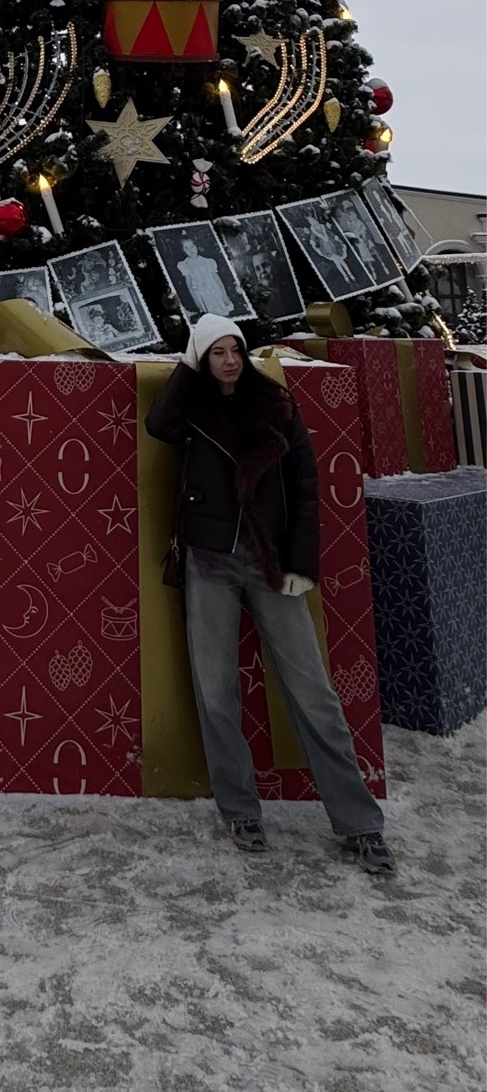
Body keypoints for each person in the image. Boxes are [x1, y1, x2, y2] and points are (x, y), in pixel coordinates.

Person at [147, 313, 394, 874]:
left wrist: (302, 564)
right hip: (210, 561)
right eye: (216, 352)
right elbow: (158, 423)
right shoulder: (194, 409)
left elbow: (305, 486)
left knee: (313, 693)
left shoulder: (276, 404)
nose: (230, 361)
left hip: (271, 562)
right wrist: (187, 363)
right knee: (216, 692)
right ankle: (240, 811)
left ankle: (360, 822)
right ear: (202, 358)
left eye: (235, 350)